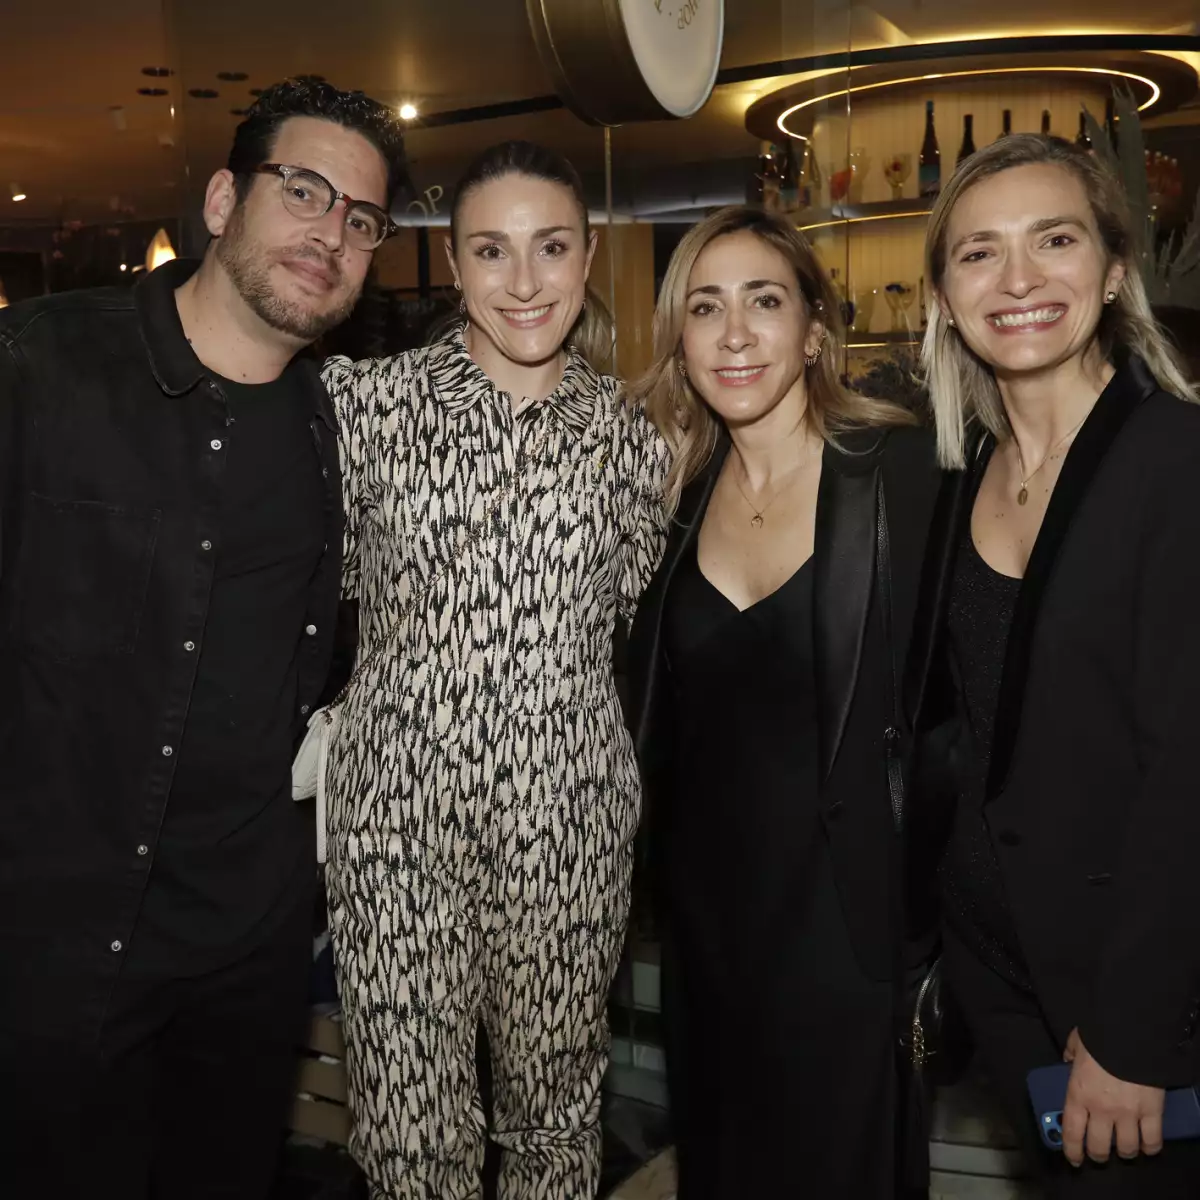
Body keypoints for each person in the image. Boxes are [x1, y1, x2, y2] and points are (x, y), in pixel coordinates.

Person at [0, 78, 405, 1198]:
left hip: (244, 967)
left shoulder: (338, 431)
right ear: (224, 200)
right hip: (52, 952)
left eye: (361, 219)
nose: (331, 233)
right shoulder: (40, 368)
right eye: (304, 190)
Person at [320, 139, 668, 1199]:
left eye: (551, 247)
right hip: (395, 826)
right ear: (453, 261)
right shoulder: (362, 409)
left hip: (570, 825)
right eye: (490, 250)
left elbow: (635, 618)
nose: (523, 282)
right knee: (409, 1135)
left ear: (589, 256)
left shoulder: (635, 441)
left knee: (554, 1123)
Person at [624, 205, 943, 1197]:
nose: (734, 334)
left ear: (813, 330)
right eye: (705, 308)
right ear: (680, 340)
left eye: (763, 301)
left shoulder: (904, 476)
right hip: (709, 930)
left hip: (850, 927)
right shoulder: (668, 500)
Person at [908, 132, 1200, 1196]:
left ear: (1115, 270)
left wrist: (1132, 1031)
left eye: (1055, 240)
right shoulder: (960, 474)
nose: (1019, 279)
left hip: (1131, 1006)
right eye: (979, 252)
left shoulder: (1175, 463)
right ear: (945, 298)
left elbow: (1188, 774)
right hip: (1002, 977)